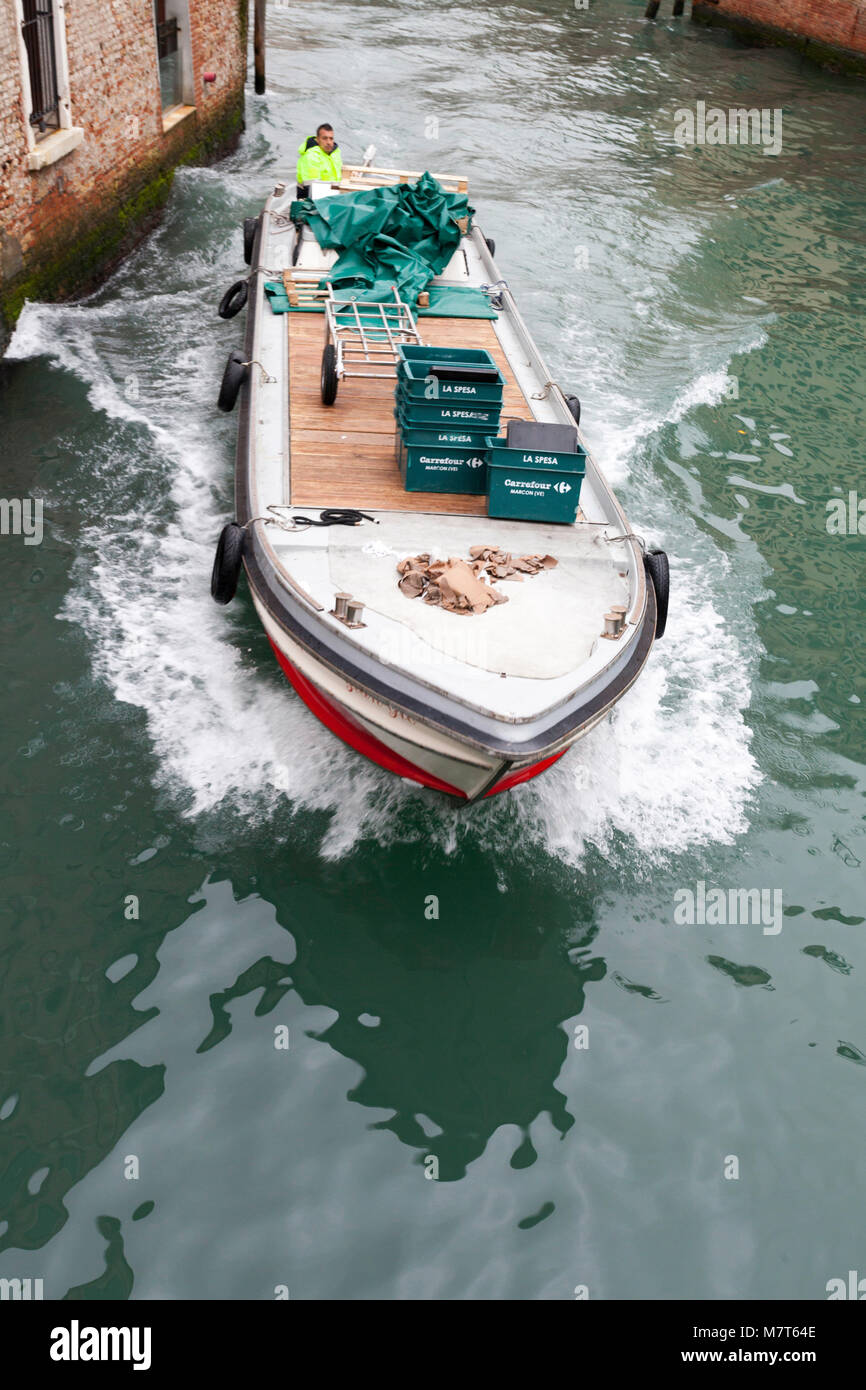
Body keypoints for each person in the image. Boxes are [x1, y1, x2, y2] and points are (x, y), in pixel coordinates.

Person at [296, 124, 343, 192]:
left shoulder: (335, 153)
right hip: (310, 197)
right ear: (317, 140)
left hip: (333, 193)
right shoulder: (311, 155)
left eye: (331, 138)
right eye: (325, 138)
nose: (329, 142)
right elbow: (312, 187)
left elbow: (338, 175)